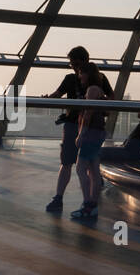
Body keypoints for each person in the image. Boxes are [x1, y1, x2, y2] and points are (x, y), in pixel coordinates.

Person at [44, 47, 114, 213]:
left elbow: (108, 100)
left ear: (84, 62)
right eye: (71, 64)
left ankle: (83, 203)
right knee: (79, 164)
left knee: (81, 166)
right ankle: (83, 202)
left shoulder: (95, 81)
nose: (74, 68)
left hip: (85, 128)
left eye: (75, 64)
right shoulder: (89, 79)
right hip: (81, 127)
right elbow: (57, 95)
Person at [71, 71, 109, 220]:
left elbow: (88, 112)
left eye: (82, 74)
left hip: (91, 133)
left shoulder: (92, 89)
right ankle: (92, 205)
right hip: (97, 132)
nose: (80, 76)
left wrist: (81, 134)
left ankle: (88, 204)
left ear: (88, 74)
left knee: (81, 168)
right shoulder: (99, 90)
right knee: (93, 170)